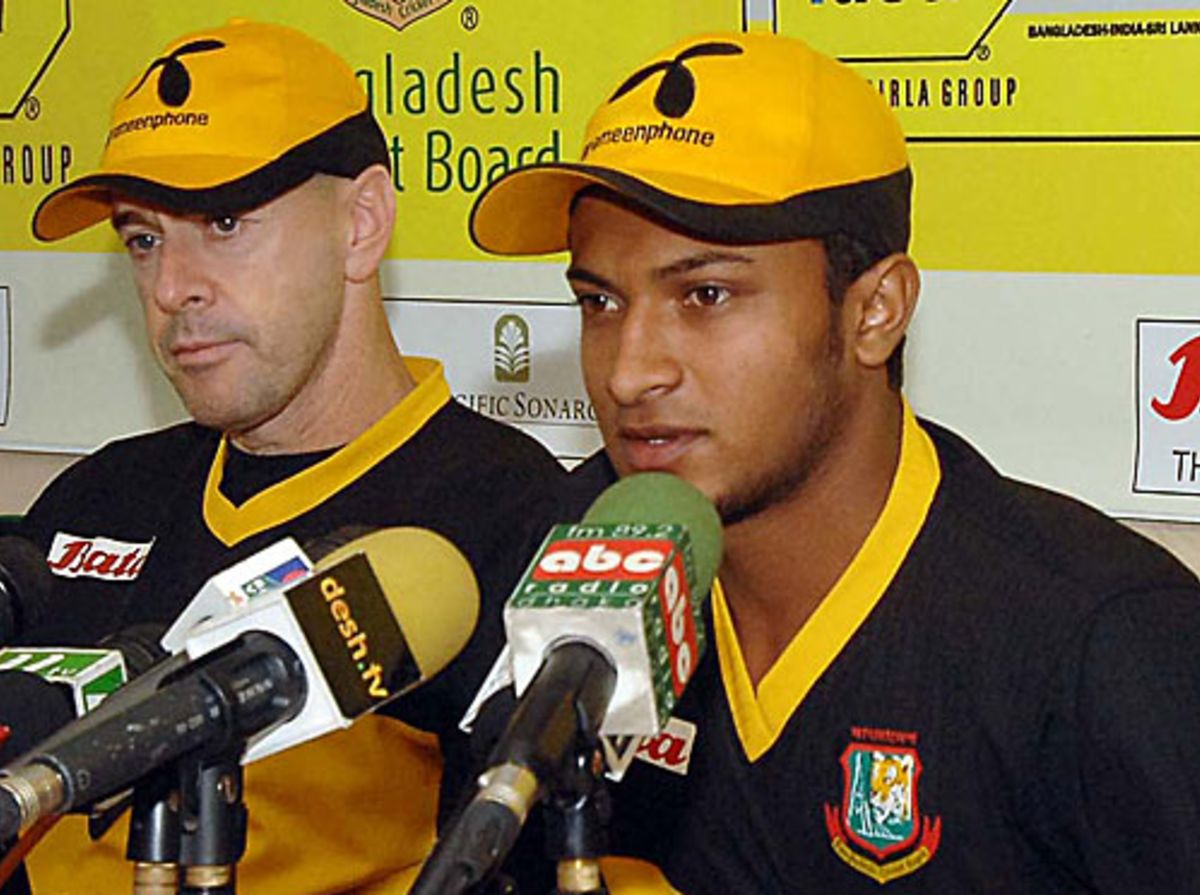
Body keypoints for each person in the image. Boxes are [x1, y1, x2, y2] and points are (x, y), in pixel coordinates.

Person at [467, 31, 1200, 893]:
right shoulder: (561, 576)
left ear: (875, 310)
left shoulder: (1098, 643)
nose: (630, 372)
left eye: (705, 295)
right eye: (601, 302)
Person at [18, 18, 564, 894]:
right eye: (143, 238)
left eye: (225, 221)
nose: (172, 288)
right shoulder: (95, 496)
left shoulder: (511, 515)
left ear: (362, 223)